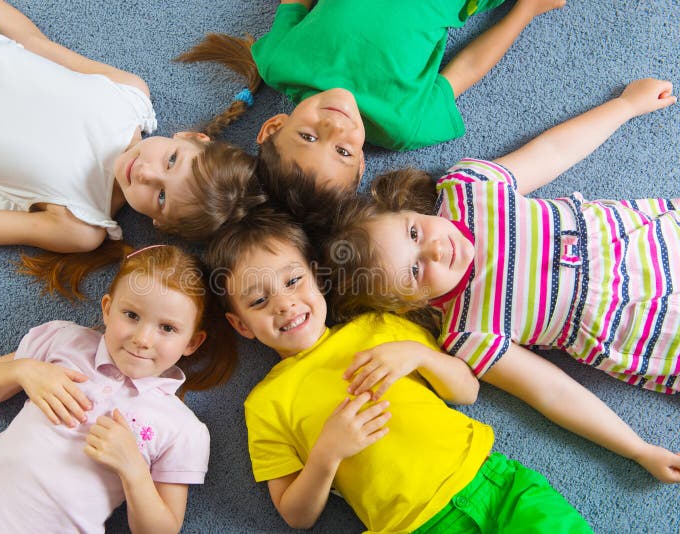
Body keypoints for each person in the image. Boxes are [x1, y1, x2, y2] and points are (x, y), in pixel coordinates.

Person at [321, 78, 680, 482]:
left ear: (403, 209)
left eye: (414, 233)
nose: (437, 250)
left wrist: (625, 106)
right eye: (416, 270)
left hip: (655, 240)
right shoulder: (469, 334)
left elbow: (552, 152)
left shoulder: (469, 189)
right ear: (410, 304)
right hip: (650, 325)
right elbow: (553, 392)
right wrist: (637, 449)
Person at [204, 207, 592, 533]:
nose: (285, 304)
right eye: (258, 300)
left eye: (292, 281)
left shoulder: (379, 326)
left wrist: (418, 355)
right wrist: (326, 455)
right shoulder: (264, 404)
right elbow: (295, 515)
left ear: (318, 279)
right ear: (241, 325)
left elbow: (467, 391)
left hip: (496, 483)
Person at [0, 0, 262, 274]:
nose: (145, 173)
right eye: (172, 160)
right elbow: (32, 42)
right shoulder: (129, 95)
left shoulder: (80, 225)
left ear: (159, 224)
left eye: (160, 196)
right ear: (192, 136)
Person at [0, 244, 237, 533]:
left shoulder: (183, 429)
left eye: (167, 328)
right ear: (107, 309)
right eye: (131, 315)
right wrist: (24, 370)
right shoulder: (65, 340)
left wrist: (133, 470)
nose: (143, 339)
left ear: (191, 343)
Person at [177, 0, 565, 194]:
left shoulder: (279, 64)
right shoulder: (402, 124)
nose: (334, 127)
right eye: (343, 152)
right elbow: (468, 67)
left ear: (274, 125)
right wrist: (527, 9)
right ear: (362, 164)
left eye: (309, 137)